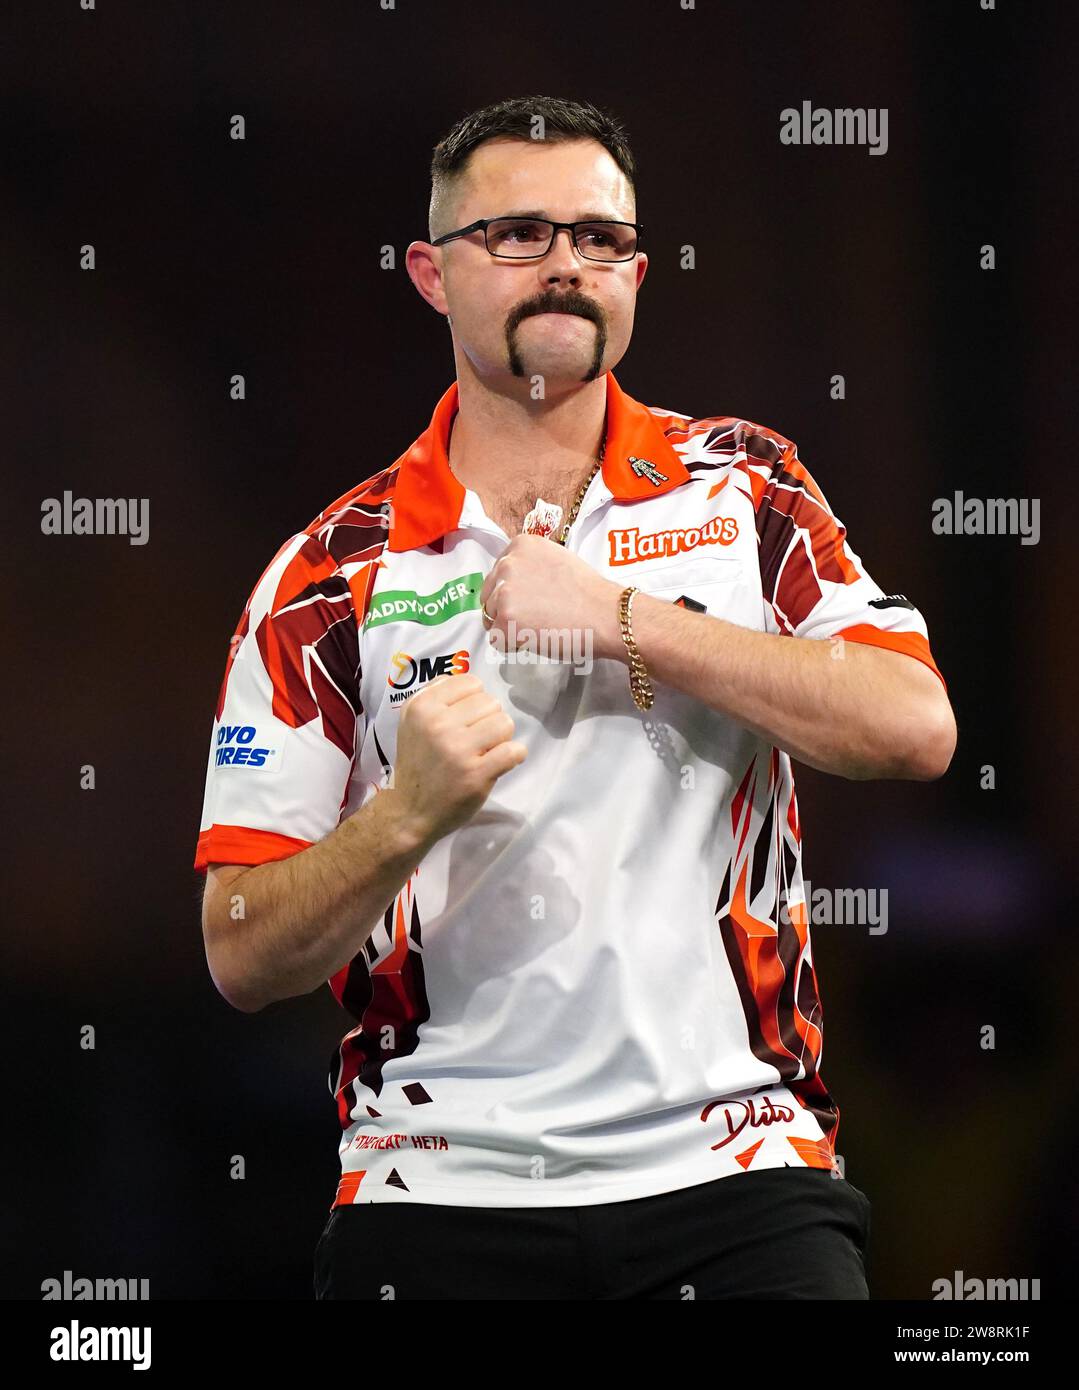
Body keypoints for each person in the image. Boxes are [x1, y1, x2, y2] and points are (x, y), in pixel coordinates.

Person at [194, 95, 955, 1300]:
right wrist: (402, 818)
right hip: (435, 1188)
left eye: (598, 240)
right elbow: (239, 953)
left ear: (638, 272)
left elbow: (913, 726)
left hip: (740, 1173)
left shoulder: (745, 488)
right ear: (429, 275)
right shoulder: (327, 573)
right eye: (516, 235)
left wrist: (624, 621)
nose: (563, 266)